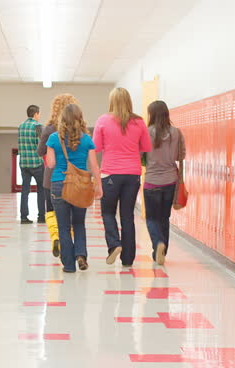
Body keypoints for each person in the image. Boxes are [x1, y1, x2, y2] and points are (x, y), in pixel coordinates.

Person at [94, 87, 152, 267]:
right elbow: (146, 147)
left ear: (112, 101)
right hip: (133, 174)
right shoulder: (139, 122)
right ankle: (128, 259)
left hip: (110, 173)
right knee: (127, 216)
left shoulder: (103, 120)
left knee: (108, 212)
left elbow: (96, 147)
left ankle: (114, 244)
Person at [45, 104, 103, 273]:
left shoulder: (53, 138)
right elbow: (94, 165)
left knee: (63, 226)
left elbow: (51, 164)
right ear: (80, 119)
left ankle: (69, 265)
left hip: (59, 184)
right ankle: (81, 254)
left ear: (62, 119)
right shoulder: (86, 139)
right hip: (81, 185)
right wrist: (98, 185)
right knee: (78, 223)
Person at [37, 94, 79, 257]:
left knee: (51, 211)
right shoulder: (78, 129)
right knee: (72, 213)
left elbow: (40, 151)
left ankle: (56, 237)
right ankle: (67, 243)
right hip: (74, 177)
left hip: (52, 177)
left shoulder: (49, 129)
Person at [145, 101, 186, 265]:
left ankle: (158, 243)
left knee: (151, 218)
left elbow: (140, 154)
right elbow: (181, 156)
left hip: (151, 181)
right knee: (164, 218)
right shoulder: (176, 133)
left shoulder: (146, 132)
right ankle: (162, 251)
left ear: (152, 114)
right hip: (170, 181)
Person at [17, 104, 44, 224]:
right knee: (41, 190)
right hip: (36, 163)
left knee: (25, 190)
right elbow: (41, 145)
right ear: (36, 114)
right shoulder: (38, 126)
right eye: (39, 114)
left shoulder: (21, 126)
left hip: (24, 163)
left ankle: (23, 217)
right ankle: (41, 216)